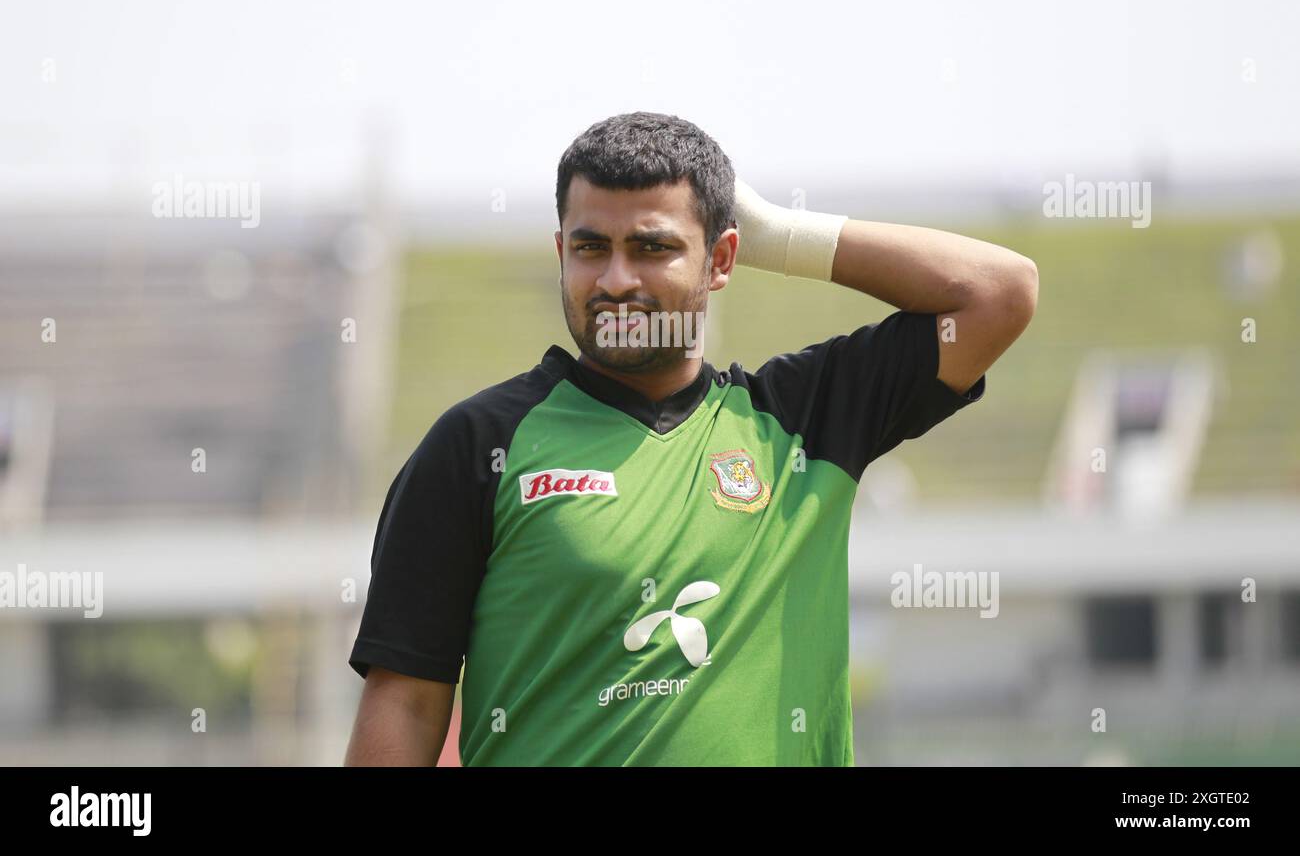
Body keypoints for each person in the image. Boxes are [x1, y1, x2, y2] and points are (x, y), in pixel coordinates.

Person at [344, 111, 1037, 766]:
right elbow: (404, 702)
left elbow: (999, 293)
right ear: (561, 251)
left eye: (653, 248)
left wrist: (783, 234)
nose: (616, 281)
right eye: (590, 248)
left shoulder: (806, 421)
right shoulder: (477, 445)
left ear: (723, 258)